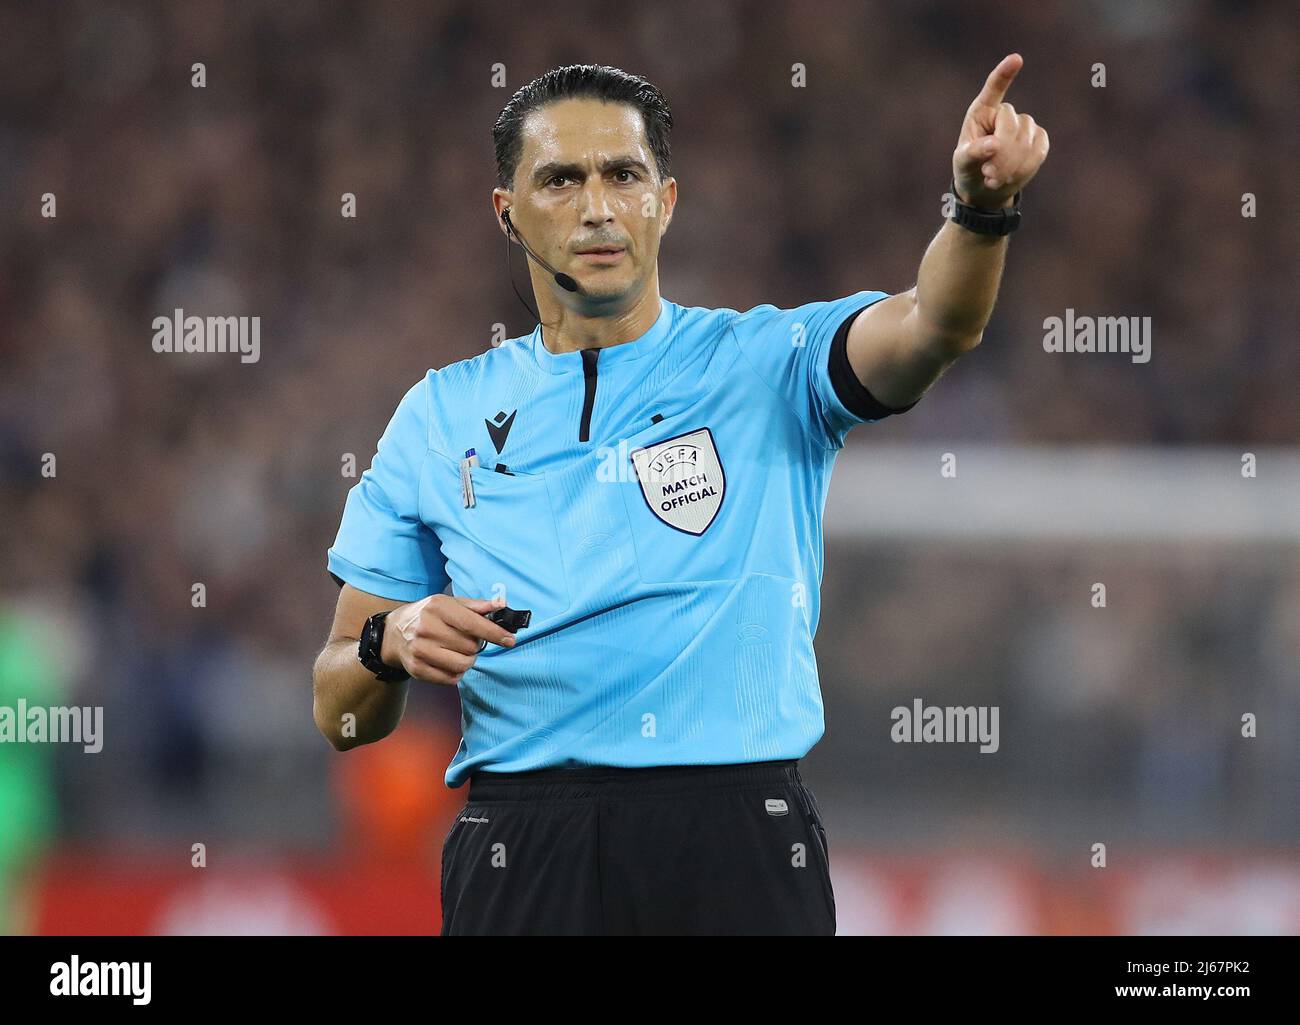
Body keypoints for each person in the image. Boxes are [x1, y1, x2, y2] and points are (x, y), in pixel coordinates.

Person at [313, 57, 1049, 935]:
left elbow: (938, 323)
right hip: (521, 846)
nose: (597, 207)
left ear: (665, 200)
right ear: (506, 214)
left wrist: (981, 211)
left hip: (733, 838)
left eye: (623, 174)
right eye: (560, 179)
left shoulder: (768, 363)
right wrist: (387, 639)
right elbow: (339, 711)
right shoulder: (438, 414)